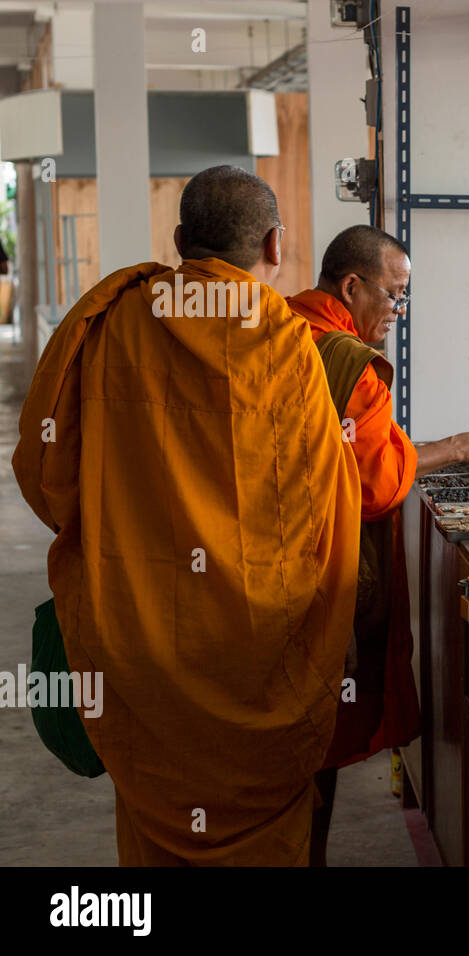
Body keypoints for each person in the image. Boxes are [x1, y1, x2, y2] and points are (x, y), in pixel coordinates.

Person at [12, 165, 362, 865]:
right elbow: (327, 497)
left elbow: (43, 468)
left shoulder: (113, 321)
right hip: (258, 640)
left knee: (157, 801)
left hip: (139, 624)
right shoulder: (288, 343)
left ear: (178, 239)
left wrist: (109, 533)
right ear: (274, 244)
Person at [286, 224, 469, 865]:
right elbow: (379, 486)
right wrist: (462, 447)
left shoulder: (276, 329)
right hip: (313, 579)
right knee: (314, 741)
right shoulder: (348, 362)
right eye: (394, 295)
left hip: (243, 567)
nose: (398, 313)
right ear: (352, 287)